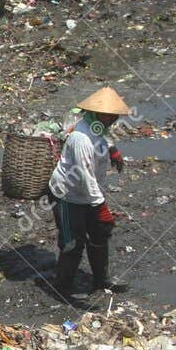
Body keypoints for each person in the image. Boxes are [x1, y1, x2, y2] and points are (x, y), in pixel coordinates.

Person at [47, 86, 130, 299]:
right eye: (109, 116)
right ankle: (62, 287)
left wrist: (112, 149)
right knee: (71, 242)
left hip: (88, 193)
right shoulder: (80, 138)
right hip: (67, 195)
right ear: (97, 113)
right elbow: (83, 174)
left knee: (99, 235)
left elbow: (103, 135)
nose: (112, 119)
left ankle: (101, 281)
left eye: (114, 116)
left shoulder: (97, 125)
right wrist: (101, 207)